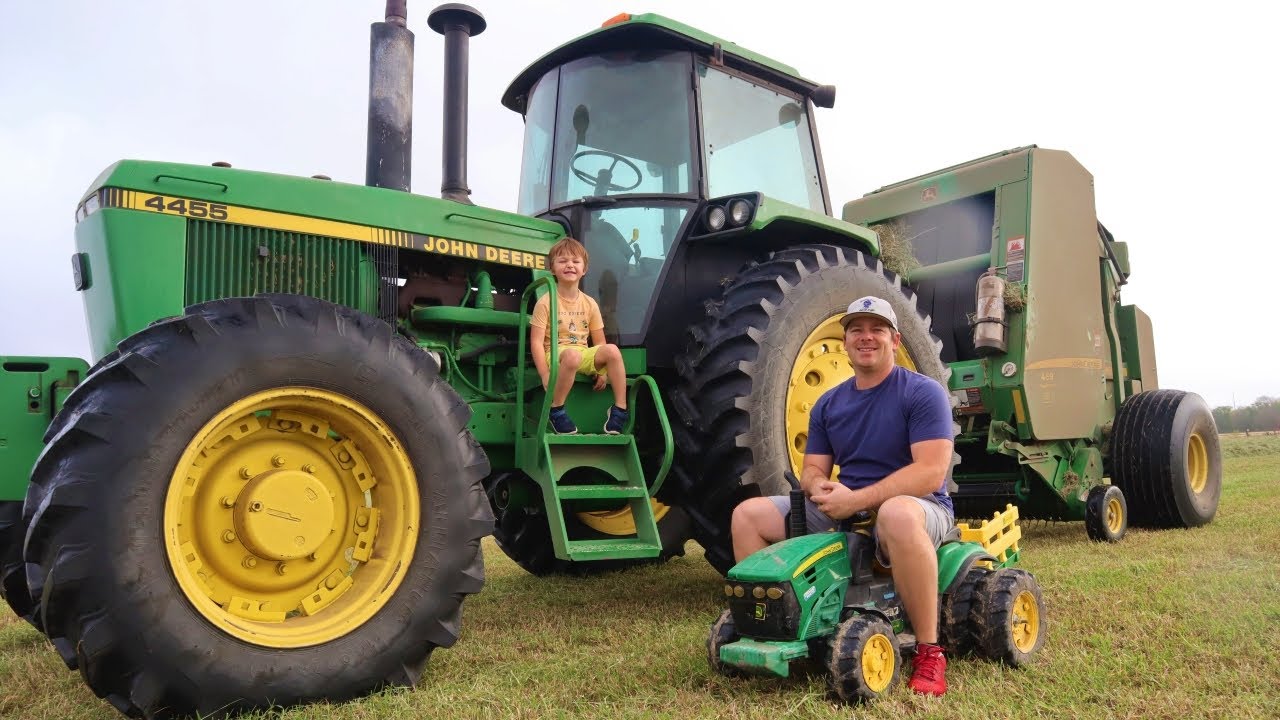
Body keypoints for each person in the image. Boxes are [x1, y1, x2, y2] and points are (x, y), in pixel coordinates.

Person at [729, 295, 956, 696]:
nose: (866, 337)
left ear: (895, 340)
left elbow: (930, 473)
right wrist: (817, 486)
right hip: (848, 508)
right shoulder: (829, 403)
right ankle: (771, 625)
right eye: (856, 330)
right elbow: (812, 468)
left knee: (896, 514)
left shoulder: (923, 393)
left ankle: (929, 650)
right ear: (846, 340)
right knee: (747, 515)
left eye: (877, 330)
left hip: (921, 508)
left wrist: (858, 499)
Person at [529, 237, 629, 435]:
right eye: (563, 261)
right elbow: (536, 342)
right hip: (556, 355)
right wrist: (544, 373)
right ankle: (556, 409)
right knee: (572, 356)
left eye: (575, 262)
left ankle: (620, 409)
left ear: (584, 269)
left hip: (582, 353)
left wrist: (602, 371)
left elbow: (599, 341)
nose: (569, 265)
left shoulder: (590, 303)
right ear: (552, 268)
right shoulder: (545, 302)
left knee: (612, 350)